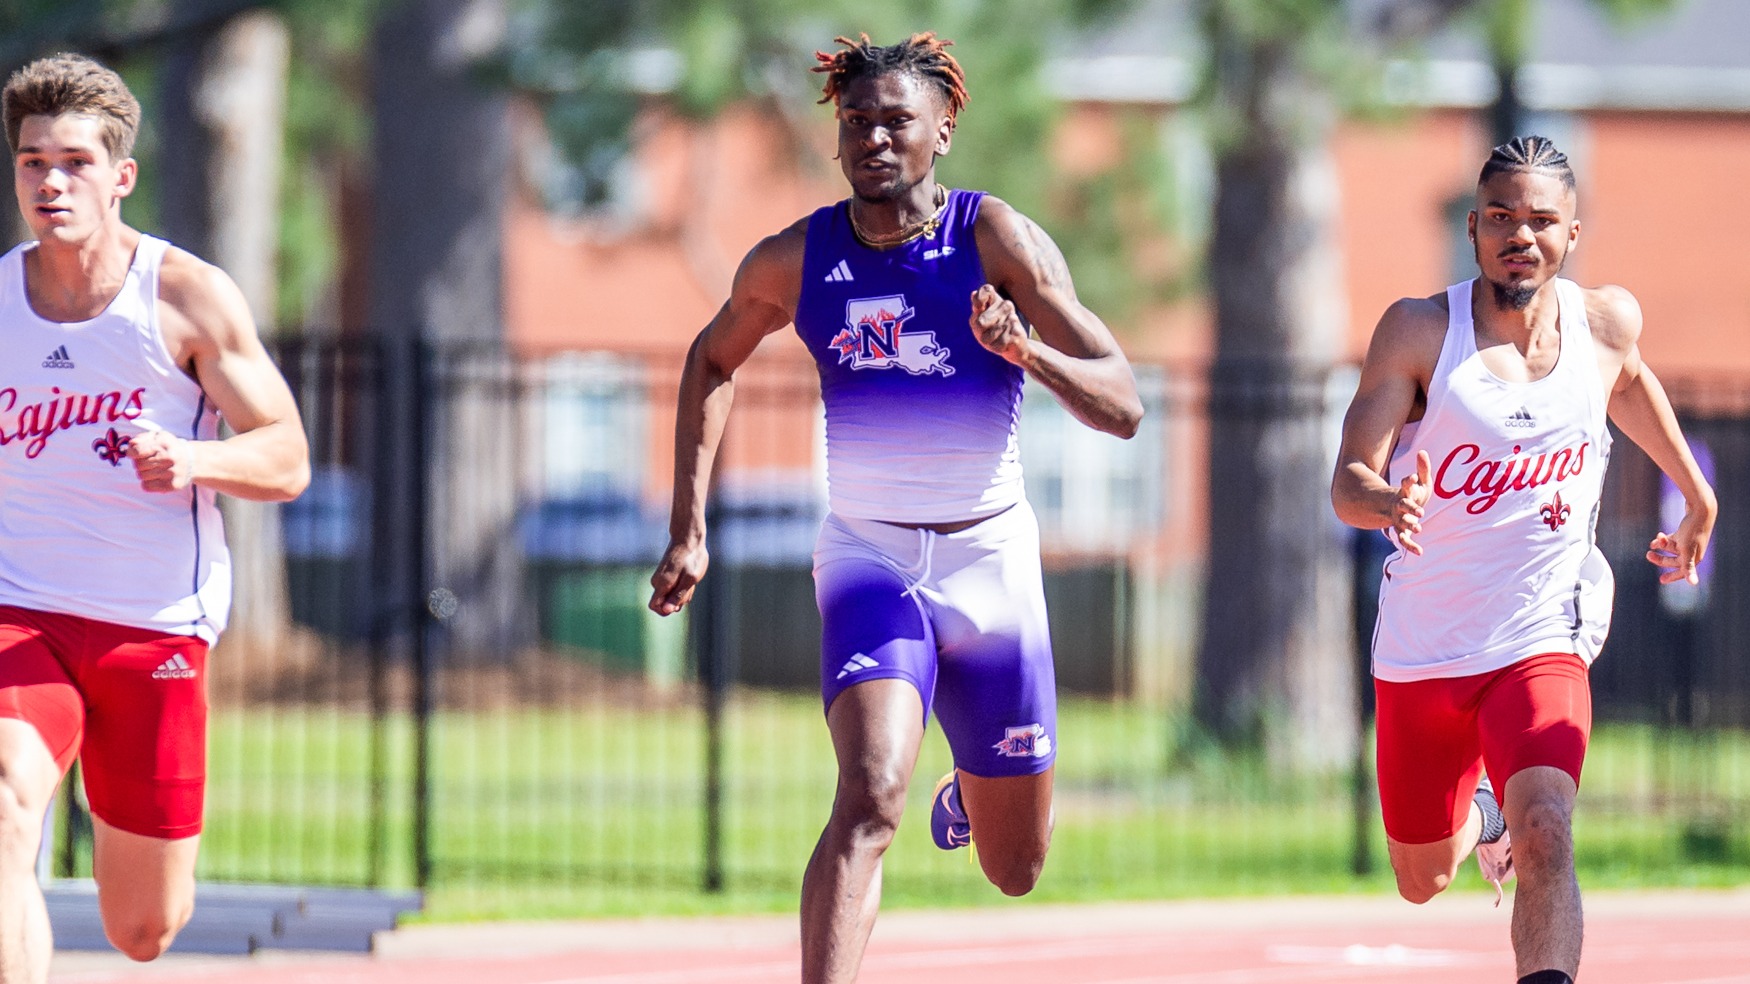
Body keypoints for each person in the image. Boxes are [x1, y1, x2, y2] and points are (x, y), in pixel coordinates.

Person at [648, 32, 1142, 983]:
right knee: (869, 796)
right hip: (870, 557)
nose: (875, 139)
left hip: (989, 562)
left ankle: (972, 780)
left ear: (943, 129)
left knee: (1015, 868)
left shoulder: (994, 239)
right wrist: (690, 529)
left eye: (896, 121)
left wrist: (1025, 352)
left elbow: (1123, 403)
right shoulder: (796, 259)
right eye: (856, 122)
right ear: (836, 136)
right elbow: (711, 360)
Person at [1332, 135, 1716, 984]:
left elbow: (1629, 382)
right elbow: (1347, 482)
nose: (1521, 235)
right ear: (1473, 229)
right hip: (1424, 649)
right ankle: (1481, 812)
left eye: (1542, 220)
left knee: (1548, 824)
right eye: (1501, 217)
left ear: (1571, 233)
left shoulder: (1606, 322)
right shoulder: (1421, 331)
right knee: (1420, 879)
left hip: (1541, 633)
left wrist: (1697, 495)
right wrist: (1386, 499)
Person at [0, 54, 309, 978]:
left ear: (121, 175)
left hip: (152, 630)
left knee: (145, 927)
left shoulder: (182, 298)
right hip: (20, 611)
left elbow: (288, 454)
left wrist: (194, 459)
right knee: (5, 807)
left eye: (75, 162)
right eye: (30, 162)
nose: (51, 182)